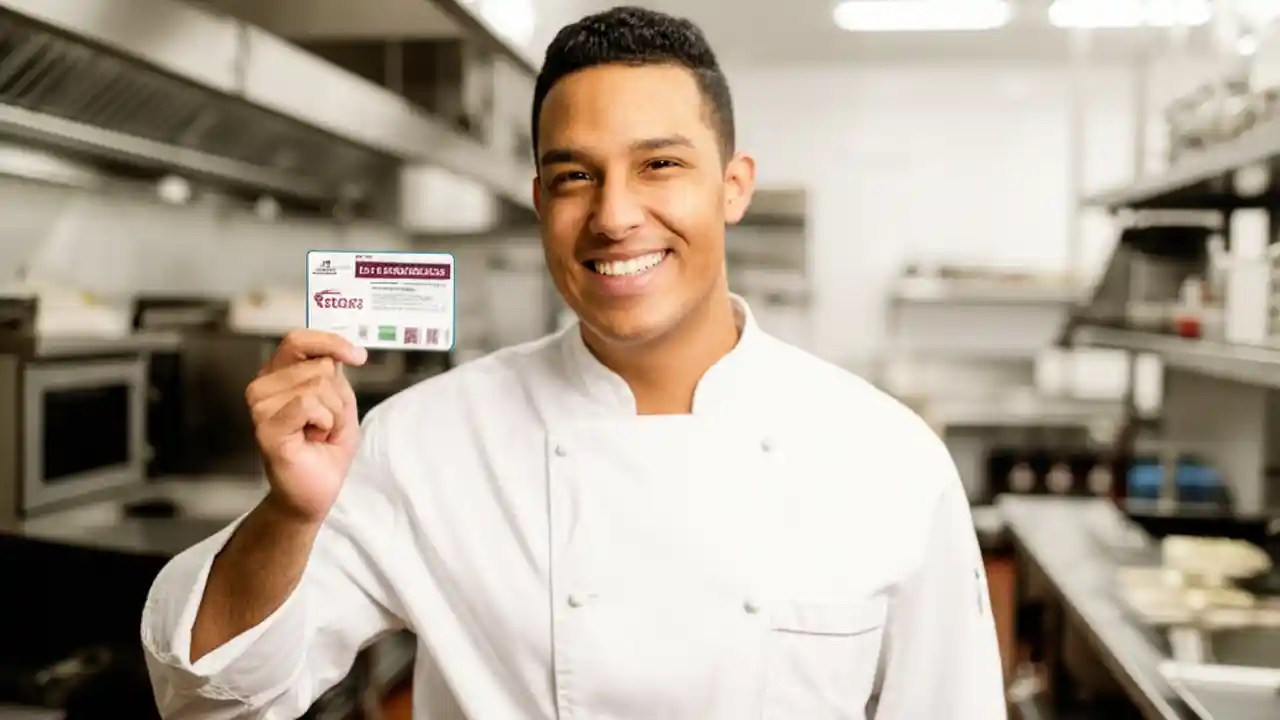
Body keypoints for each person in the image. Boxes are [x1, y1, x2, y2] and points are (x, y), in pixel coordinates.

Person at [141, 6, 1006, 719]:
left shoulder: (888, 459)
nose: (615, 215)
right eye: (574, 177)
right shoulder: (426, 440)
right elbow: (208, 697)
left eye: (660, 165)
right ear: (540, 201)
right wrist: (289, 516)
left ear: (733, 187)